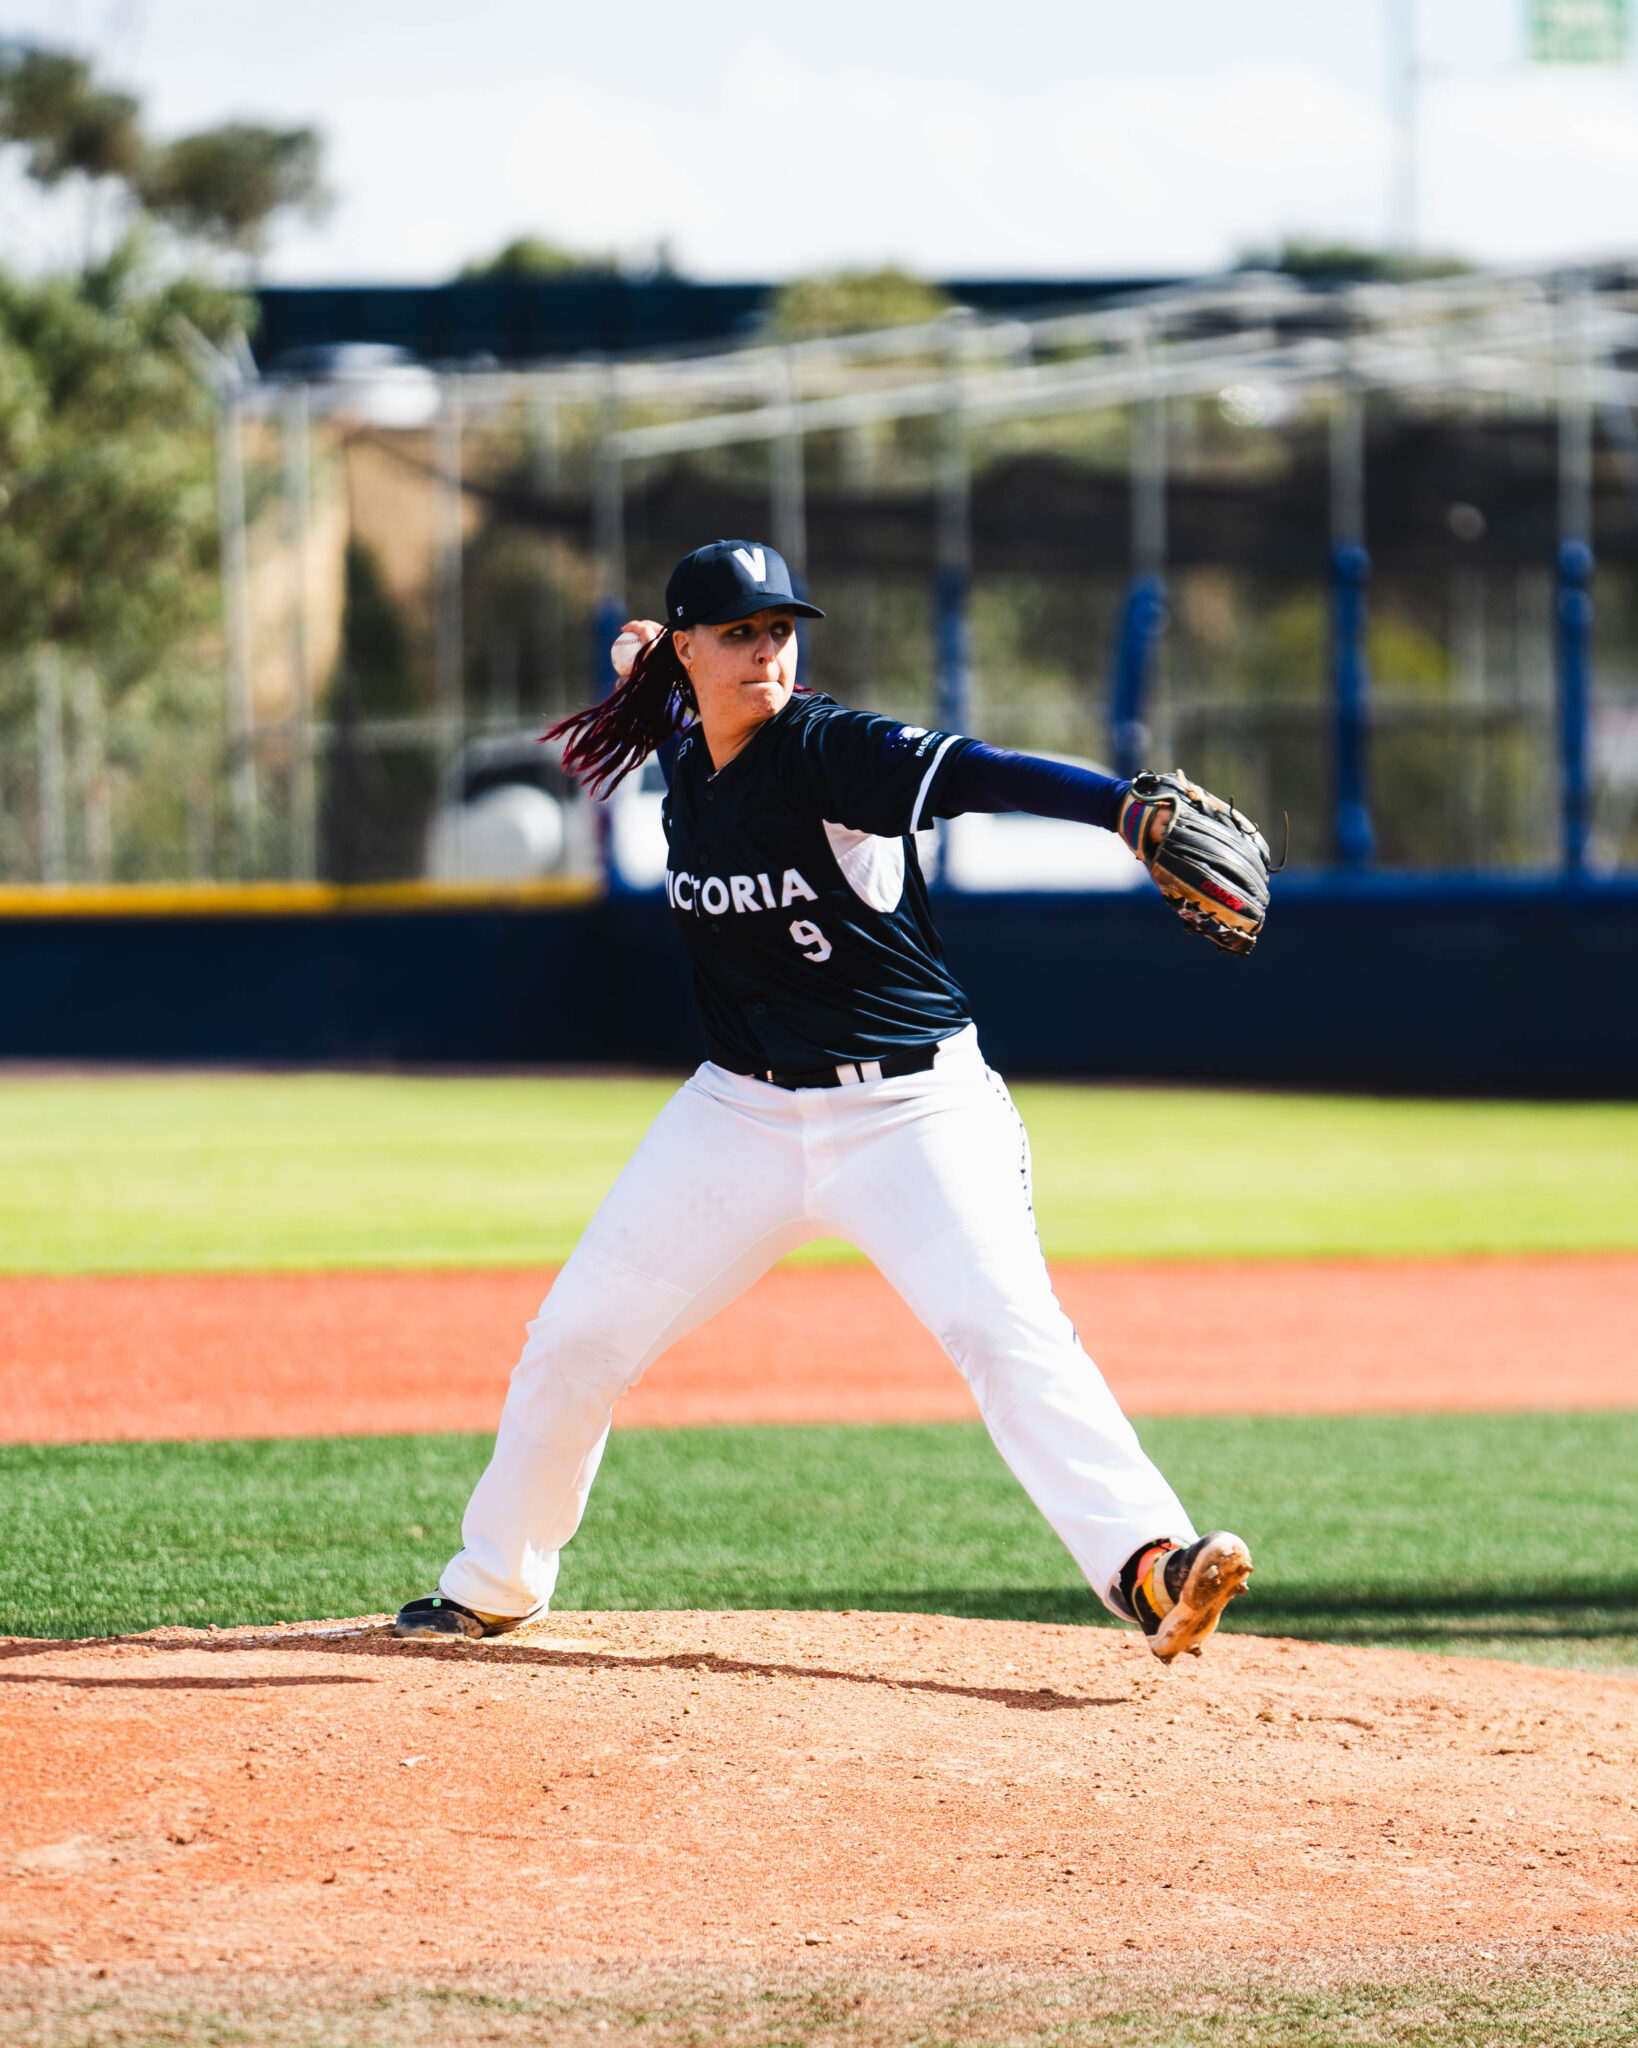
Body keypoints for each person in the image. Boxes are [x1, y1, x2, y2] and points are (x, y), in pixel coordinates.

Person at [395, 538, 1257, 1663]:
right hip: (738, 1116)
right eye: (740, 632)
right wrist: (648, 652)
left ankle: (1152, 1566)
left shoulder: (832, 748)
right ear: (693, 648)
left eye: (781, 630)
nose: (766, 651)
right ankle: (494, 1583)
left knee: (1005, 1330)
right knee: (575, 1337)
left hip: (912, 1113)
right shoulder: (681, 731)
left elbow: (982, 770)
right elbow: (642, 659)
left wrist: (1121, 810)